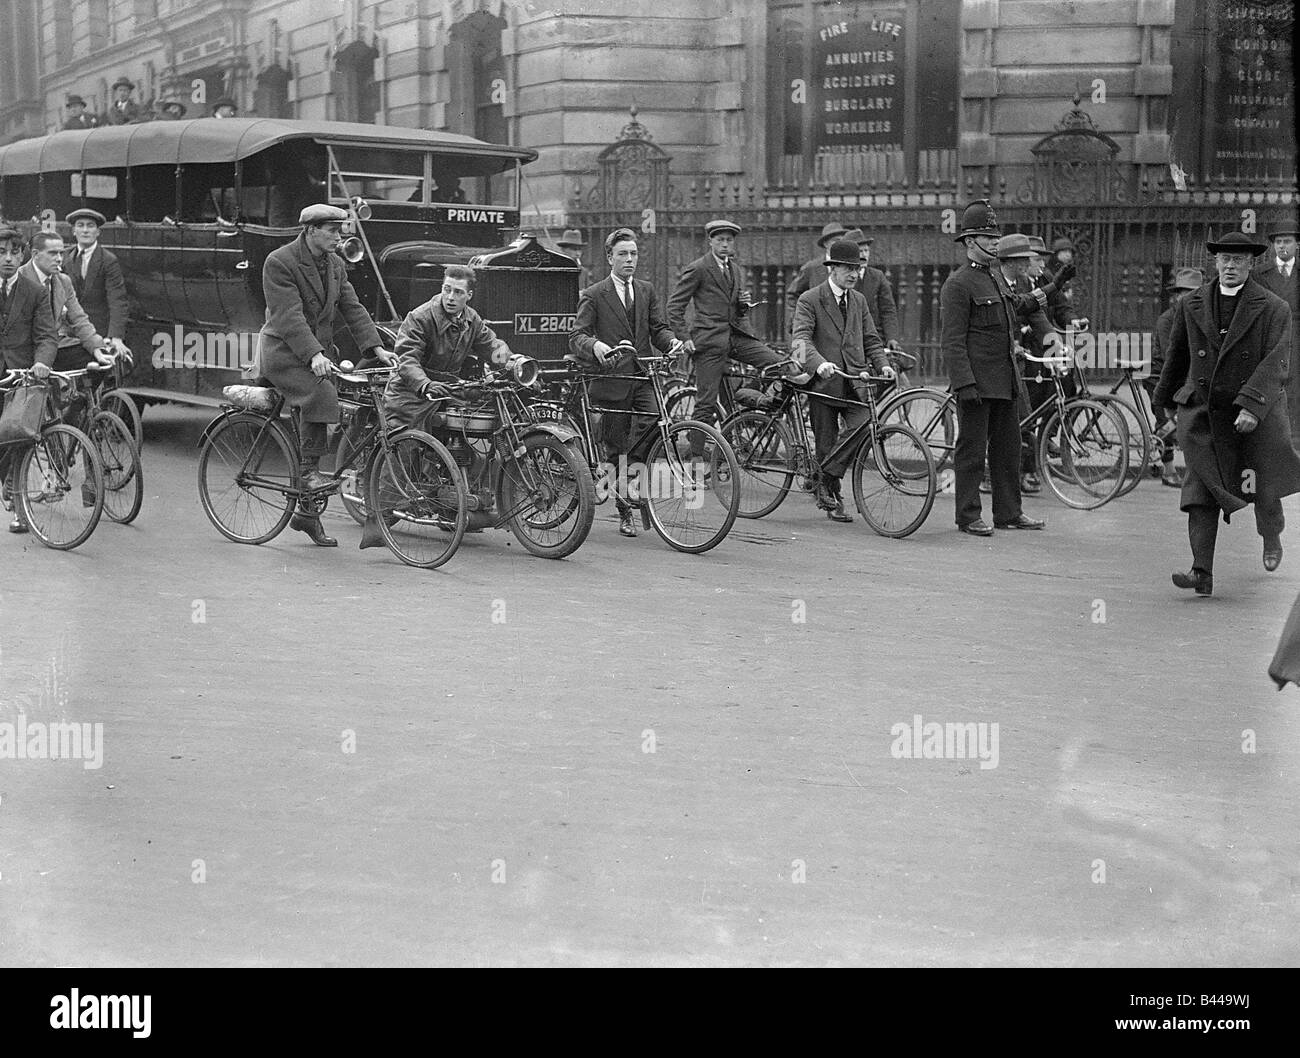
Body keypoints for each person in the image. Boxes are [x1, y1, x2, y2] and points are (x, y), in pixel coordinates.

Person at [1153, 230, 1300, 595]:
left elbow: (1276, 362)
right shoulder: (1193, 304)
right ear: (1215, 263)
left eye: (1238, 260)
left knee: (1262, 484)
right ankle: (1200, 571)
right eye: (1224, 260)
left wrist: (1251, 404)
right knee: (1200, 487)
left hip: (1256, 412)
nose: (1230, 266)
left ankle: (1271, 536)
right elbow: (1179, 355)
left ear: (1251, 265)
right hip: (1206, 410)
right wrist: (1168, 405)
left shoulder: (1273, 307)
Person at [257, 204, 394, 547]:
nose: (339, 237)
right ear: (310, 230)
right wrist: (314, 353)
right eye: (332, 230)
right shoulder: (280, 261)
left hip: (317, 354)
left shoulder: (335, 264)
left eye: (341, 230)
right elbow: (288, 316)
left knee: (344, 398)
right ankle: (307, 474)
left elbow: (352, 307)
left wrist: (377, 349)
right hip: (285, 353)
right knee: (321, 394)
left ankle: (307, 514)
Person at [941, 202, 1047, 536]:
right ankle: (968, 515)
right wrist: (964, 384)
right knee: (972, 452)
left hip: (1004, 380)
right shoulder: (958, 285)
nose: (994, 242)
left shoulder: (996, 280)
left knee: (1008, 450)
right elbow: (953, 342)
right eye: (987, 236)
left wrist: (1054, 285)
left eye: (995, 235)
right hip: (976, 383)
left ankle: (1009, 513)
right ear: (969, 241)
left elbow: (1020, 307)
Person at [569, 228, 683, 537]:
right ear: (610, 258)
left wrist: (671, 342)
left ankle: (629, 480)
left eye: (633, 254)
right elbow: (577, 335)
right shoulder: (594, 294)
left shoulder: (646, 290)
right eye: (623, 254)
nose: (629, 259)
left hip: (641, 375)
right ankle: (624, 513)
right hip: (611, 379)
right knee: (614, 445)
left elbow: (658, 328)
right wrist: (595, 346)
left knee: (654, 420)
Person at [667, 219, 799, 456]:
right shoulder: (698, 268)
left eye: (729, 240)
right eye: (720, 240)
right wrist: (684, 337)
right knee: (706, 403)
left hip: (736, 337)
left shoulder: (736, 270)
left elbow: (736, 310)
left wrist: (743, 305)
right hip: (708, 342)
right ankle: (696, 457)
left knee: (778, 364)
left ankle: (753, 402)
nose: (725, 245)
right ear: (711, 242)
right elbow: (674, 306)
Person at [791, 238, 896, 523]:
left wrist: (883, 365)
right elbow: (799, 341)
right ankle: (832, 495)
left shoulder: (858, 300)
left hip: (854, 381)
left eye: (857, 267)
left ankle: (822, 477)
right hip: (824, 384)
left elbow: (872, 339)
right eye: (848, 268)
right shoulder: (810, 299)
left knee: (864, 423)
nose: (854, 273)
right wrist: (819, 363)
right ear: (832, 269)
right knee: (826, 443)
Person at [0, 226, 59, 534]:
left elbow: (47, 335)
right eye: (1, 252)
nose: (8, 259)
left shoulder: (36, 292)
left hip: (21, 377)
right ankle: (8, 483)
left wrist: (41, 363)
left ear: (23, 254)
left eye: (14, 252)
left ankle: (19, 509)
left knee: (20, 438)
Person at [20, 232, 114, 374]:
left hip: (54, 344)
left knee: (97, 362)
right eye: (52, 253)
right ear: (35, 254)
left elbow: (78, 318)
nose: (59, 259)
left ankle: (76, 395)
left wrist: (96, 348)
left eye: (61, 253)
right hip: (24, 348)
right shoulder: (18, 279)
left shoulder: (63, 281)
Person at [1147, 267, 1203, 487]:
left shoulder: (1199, 317)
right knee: (1167, 424)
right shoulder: (1167, 320)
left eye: (1192, 292)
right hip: (1162, 377)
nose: (1186, 297)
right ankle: (1168, 470)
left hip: (1188, 378)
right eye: (1182, 292)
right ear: (1176, 296)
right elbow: (1172, 355)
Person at [1252, 227, 1300, 445]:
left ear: (1297, 244)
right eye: (1278, 242)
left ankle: (1295, 435)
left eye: (1287, 241)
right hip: (1271, 335)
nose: (1282, 246)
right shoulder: (1259, 274)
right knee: (1272, 381)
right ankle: (1273, 434)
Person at [65, 209, 129, 350]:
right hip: (69, 333)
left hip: (99, 332)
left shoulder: (108, 260)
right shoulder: (65, 257)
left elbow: (117, 299)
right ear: (73, 231)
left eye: (90, 225)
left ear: (98, 232)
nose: (85, 230)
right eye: (80, 225)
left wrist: (116, 337)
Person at [844, 228, 901, 351]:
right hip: (846, 340)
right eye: (860, 251)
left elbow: (888, 309)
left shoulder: (877, 277)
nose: (864, 255)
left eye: (866, 251)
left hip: (873, 339)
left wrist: (891, 338)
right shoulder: (840, 278)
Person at [784, 222, 848, 326]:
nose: (839, 245)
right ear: (826, 244)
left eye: (842, 241)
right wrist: (803, 316)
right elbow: (792, 294)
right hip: (817, 326)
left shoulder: (848, 267)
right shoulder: (811, 268)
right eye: (835, 241)